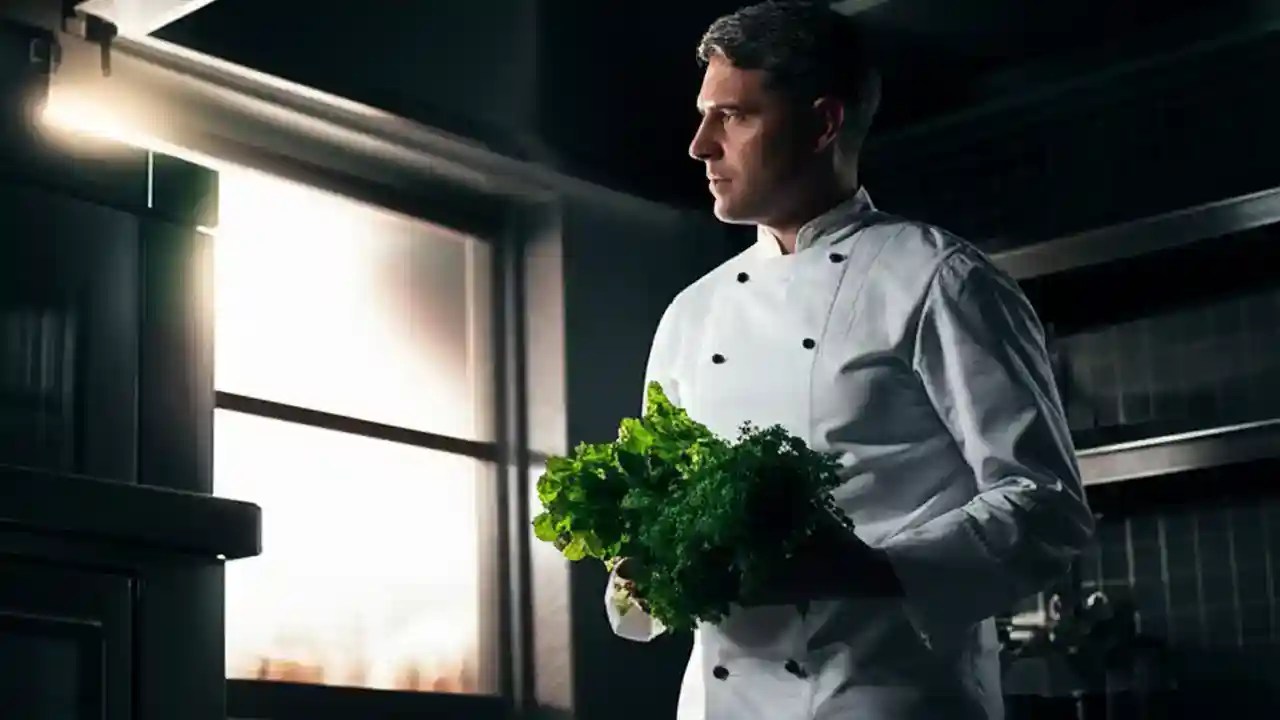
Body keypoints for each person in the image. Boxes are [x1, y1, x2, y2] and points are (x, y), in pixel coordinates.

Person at [604, 2, 1096, 719]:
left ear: (824, 122)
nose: (700, 146)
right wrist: (643, 570)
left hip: (888, 698)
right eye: (704, 116)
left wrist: (872, 569)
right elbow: (654, 513)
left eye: (733, 117)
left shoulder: (938, 280)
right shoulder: (692, 314)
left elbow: (1046, 507)